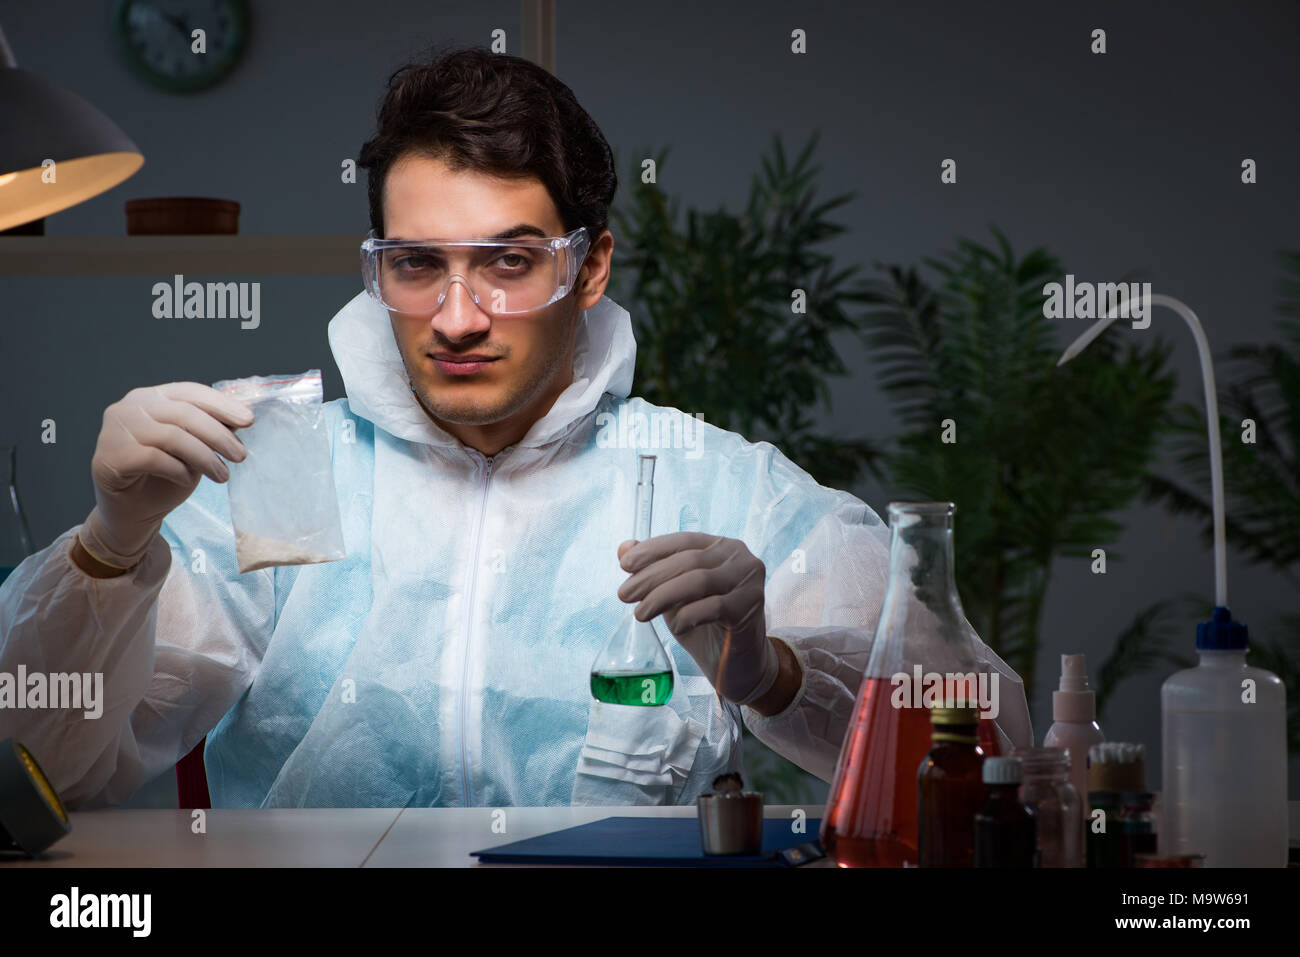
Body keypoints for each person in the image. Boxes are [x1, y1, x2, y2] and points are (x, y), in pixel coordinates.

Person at [0, 47, 1031, 809]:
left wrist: (772, 673)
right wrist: (108, 546)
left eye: (507, 260)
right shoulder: (280, 470)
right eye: (415, 264)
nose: (454, 316)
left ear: (587, 267)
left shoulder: (719, 489)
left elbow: (1000, 763)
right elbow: (45, 770)